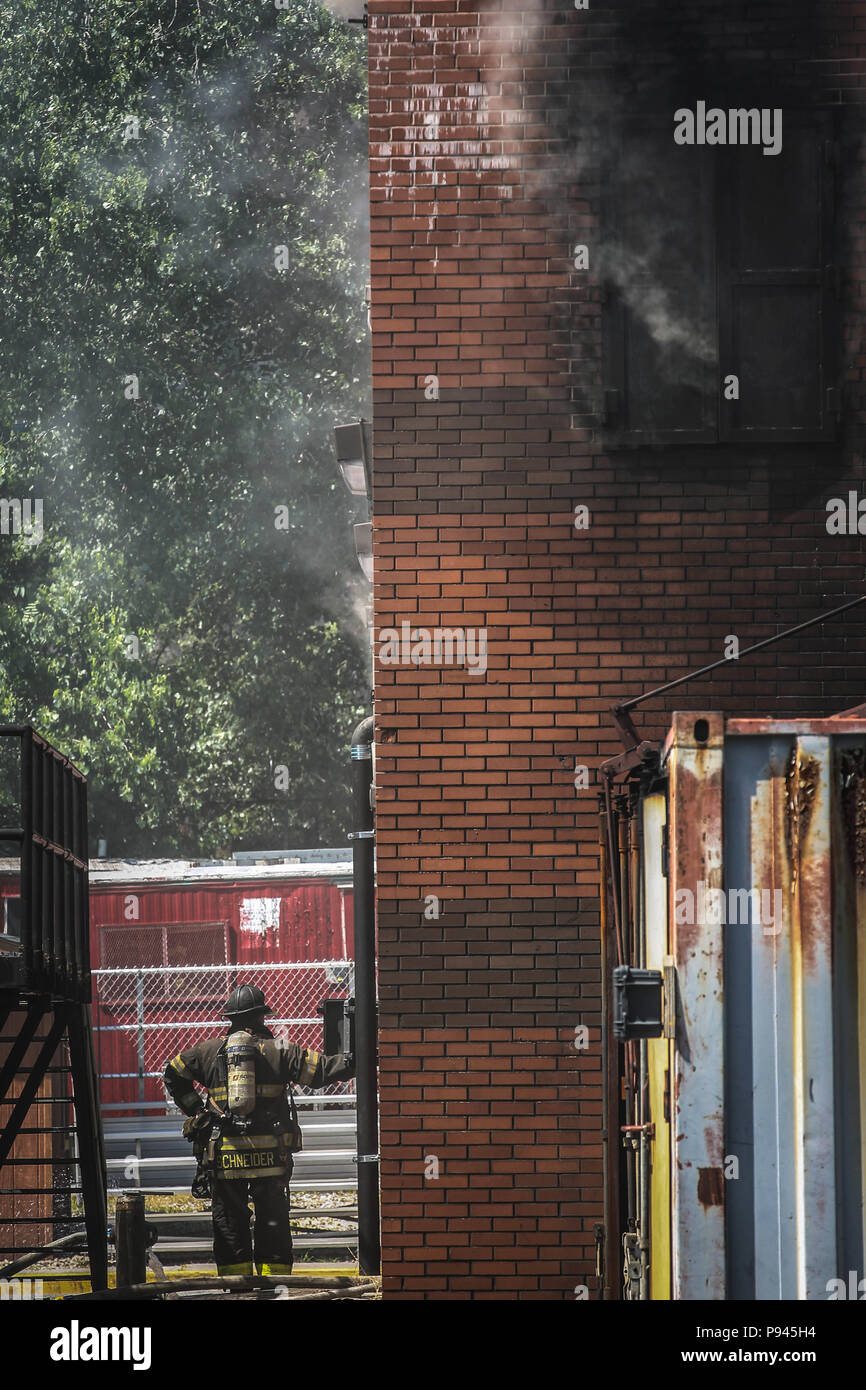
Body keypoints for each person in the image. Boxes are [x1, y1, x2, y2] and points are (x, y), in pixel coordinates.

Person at [162, 983, 355, 1277]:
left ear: (230, 1018)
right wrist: (360, 1052)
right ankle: (273, 1285)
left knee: (229, 1223)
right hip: (270, 1158)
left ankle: (236, 1288)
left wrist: (197, 1111)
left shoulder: (208, 1050)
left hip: (225, 1159)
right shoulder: (279, 1050)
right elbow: (323, 1071)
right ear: (262, 1016)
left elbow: (173, 1073)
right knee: (272, 1221)